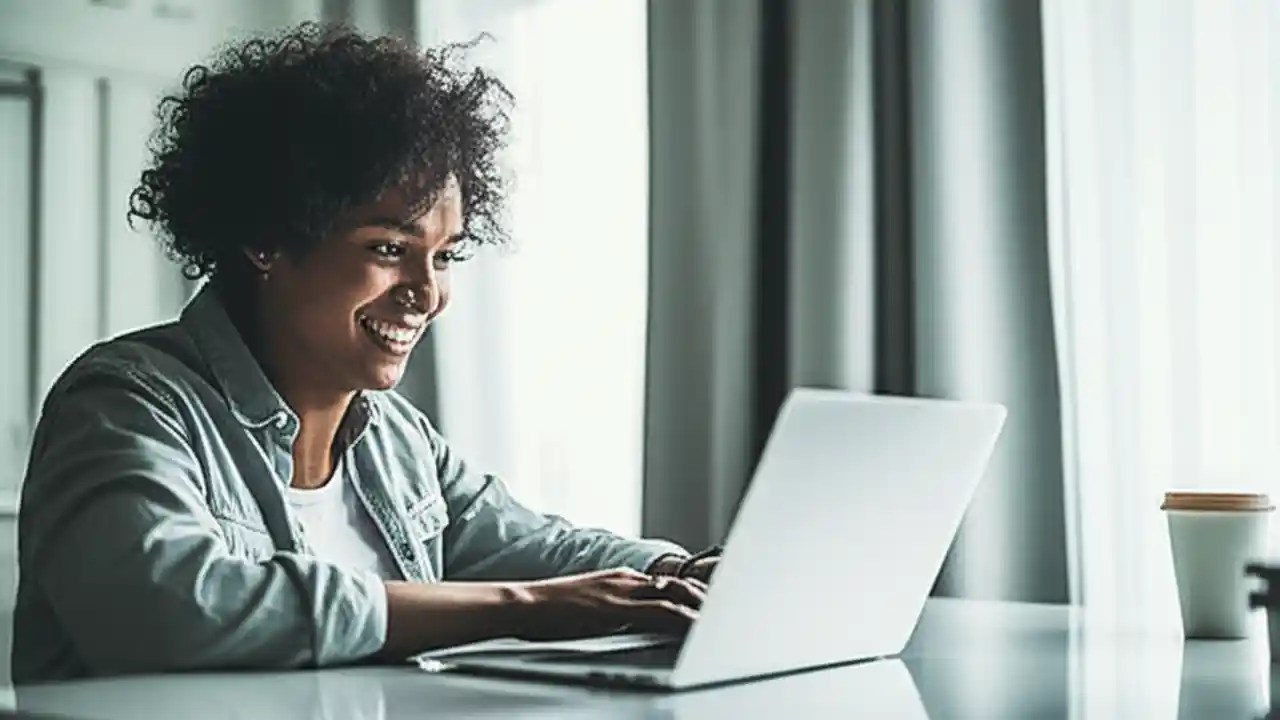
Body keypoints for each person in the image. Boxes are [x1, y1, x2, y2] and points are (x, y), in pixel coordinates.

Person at [12, 22, 717, 684]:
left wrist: (683, 572)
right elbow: (171, 612)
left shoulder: (398, 440)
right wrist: (523, 606)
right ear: (266, 236)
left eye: (443, 256)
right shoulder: (125, 404)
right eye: (389, 250)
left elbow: (549, 549)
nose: (427, 293)